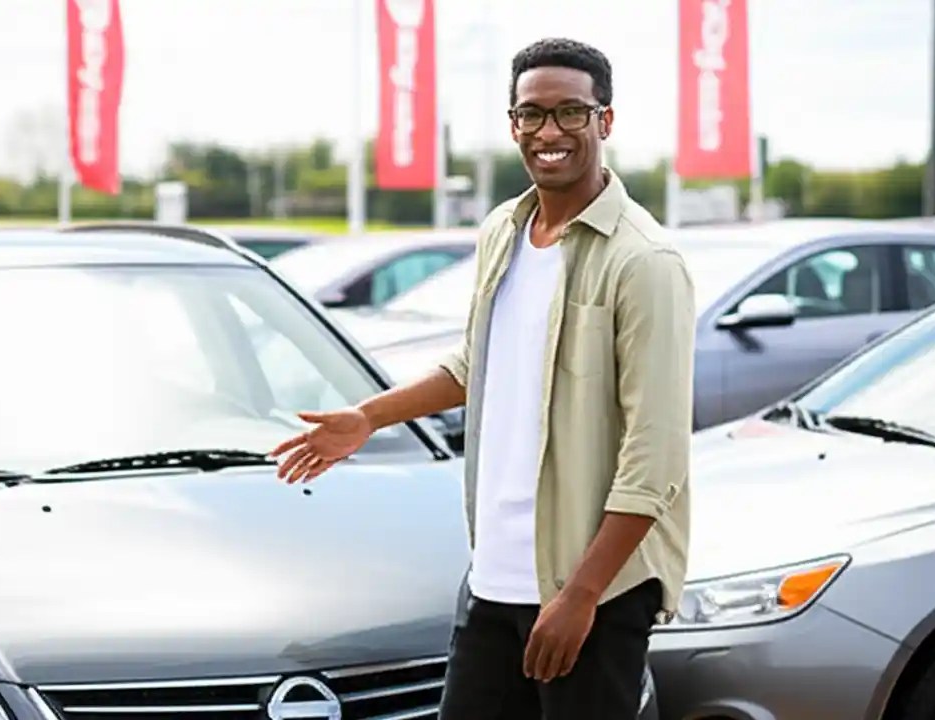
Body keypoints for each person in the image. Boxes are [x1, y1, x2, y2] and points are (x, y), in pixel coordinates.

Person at [270, 37, 694, 719]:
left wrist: (581, 595)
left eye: (570, 113)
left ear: (605, 121)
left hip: (592, 591)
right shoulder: (504, 229)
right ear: (512, 124)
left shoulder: (644, 262)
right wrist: (370, 417)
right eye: (531, 114)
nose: (548, 132)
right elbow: (478, 363)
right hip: (495, 577)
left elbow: (656, 455)